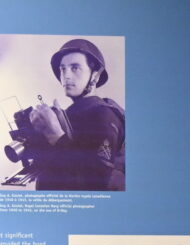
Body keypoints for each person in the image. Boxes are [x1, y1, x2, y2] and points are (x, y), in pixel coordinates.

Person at [17, 38, 125, 190]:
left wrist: (54, 134)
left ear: (95, 76)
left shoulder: (104, 116)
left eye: (75, 68)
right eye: (63, 69)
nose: (66, 75)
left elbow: (96, 183)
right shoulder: (70, 114)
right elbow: (59, 162)